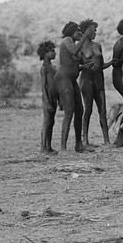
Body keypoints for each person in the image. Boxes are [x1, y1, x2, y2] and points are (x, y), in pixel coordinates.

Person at [77, 19, 112, 146]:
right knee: (88, 109)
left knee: (102, 110)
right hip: (86, 80)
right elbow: (75, 66)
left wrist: (112, 62)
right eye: (92, 30)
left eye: (96, 30)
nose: (95, 32)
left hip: (99, 80)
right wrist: (86, 66)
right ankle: (85, 139)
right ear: (85, 31)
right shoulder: (79, 47)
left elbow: (101, 65)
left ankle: (106, 140)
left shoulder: (98, 45)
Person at [55, 21, 86, 152]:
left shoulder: (72, 43)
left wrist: (84, 66)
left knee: (80, 110)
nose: (80, 33)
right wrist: (85, 37)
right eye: (78, 31)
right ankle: (63, 148)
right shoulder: (67, 40)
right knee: (69, 112)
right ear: (71, 31)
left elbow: (73, 65)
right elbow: (74, 51)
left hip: (72, 80)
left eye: (81, 31)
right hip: (63, 80)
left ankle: (78, 144)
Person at [36, 40, 58, 153]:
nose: (55, 53)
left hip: (53, 98)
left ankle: (48, 147)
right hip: (48, 98)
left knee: (51, 122)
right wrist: (47, 102)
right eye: (52, 51)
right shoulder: (44, 68)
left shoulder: (52, 67)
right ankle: (43, 147)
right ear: (45, 53)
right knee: (47, 122)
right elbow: (43, 86)